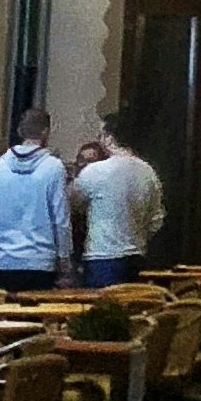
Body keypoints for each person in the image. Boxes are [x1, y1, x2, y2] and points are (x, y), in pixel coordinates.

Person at [0, 105, 74, 290]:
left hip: (2, 260)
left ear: (19, 131)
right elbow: (60, 218)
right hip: (40, 261)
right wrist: (64, 257)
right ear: (46, 132)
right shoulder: (53, 167)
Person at [71, 111, 165, 286]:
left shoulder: (95, 172)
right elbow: (156, 219)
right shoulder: (148, 172)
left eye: (101, 135)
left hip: (101, 255)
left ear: (108, 137)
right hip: (136, 255)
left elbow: (74, 205)